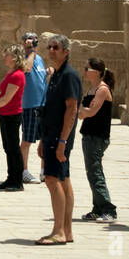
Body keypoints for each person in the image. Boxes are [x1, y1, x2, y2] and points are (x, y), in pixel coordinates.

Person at [35, 35, 81, 245]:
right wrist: (44, 140)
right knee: (63, 179)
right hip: (52, 134)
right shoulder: (57, 75)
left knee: (52, 179)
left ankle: (58, 231)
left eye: (56, 47)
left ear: (66, 52)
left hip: (59, 136)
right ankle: (67, 230)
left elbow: (72, 108)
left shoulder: (69, 76)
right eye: (50, 47)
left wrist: (62, 141)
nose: (51, 50)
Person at [79, 58, 117, 223]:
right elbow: (83, 114)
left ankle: (109, 210)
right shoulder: (91, 90)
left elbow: (90, 112)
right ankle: (97, 208)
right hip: (88, 135)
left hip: (97, 136)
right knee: (92, 172)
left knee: (95, 172)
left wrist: (81, 109)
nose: (85, 71)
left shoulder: (102, 90)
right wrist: (83, 110)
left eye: (88, 68)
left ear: (97, 72)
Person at [0, 45, 25, 191]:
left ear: (15, 57)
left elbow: (7, 98)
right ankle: (11, 178)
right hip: (5, 114)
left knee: (13, 148)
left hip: (12, 114)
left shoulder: (17, 75)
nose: (4, 57)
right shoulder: (11, 72)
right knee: (8, 148)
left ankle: (17, 181)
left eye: (7, 55)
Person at [20, 32, 48, 183]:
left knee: (45, 139)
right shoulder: (24, 59)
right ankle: (23, 170)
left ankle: (44, 171)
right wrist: (31, 52)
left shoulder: (40, 59)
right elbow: (27, 69)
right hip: (29, 105)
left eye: (34, 38)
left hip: (43, 104)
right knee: (27, 140)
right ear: (24, 42)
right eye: (29, 39)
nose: (32, 40)